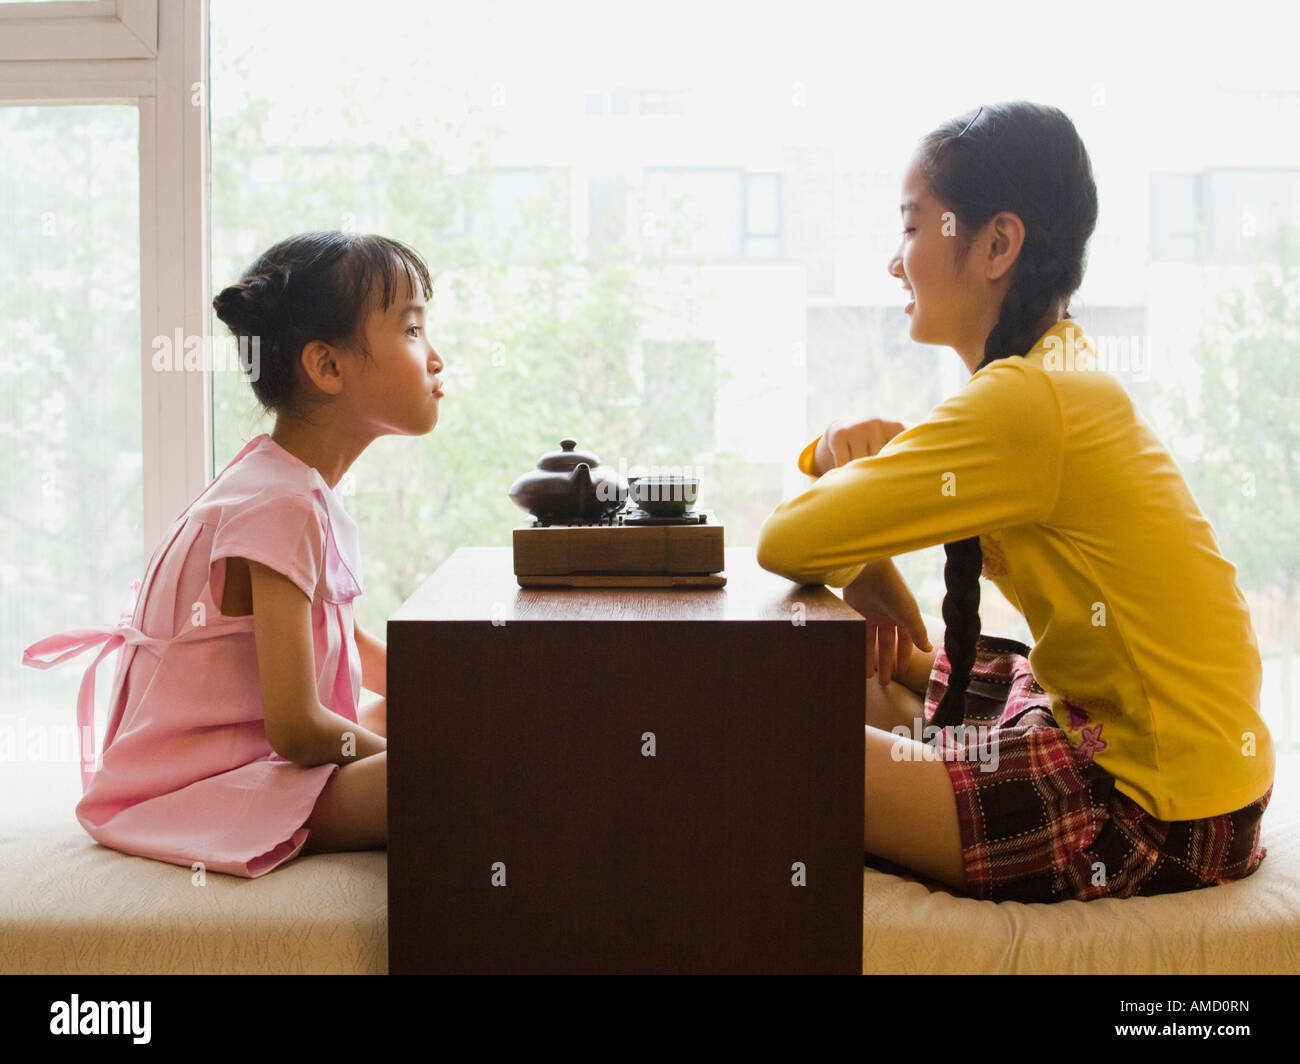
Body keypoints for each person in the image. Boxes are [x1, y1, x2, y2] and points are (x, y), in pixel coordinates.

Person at [755, 101, 1275, 903]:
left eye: (913, 228)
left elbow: (785, 540)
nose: (895, 262)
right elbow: (819, 531)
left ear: (998, 244)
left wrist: (851, 519)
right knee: (860, 677)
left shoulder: (1026, 403)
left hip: (1152, 805)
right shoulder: (1053, 378)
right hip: (1174, 757)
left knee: (767, 735)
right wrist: (845, 497)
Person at [22, 231, 444, 877]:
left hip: (241, 766)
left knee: (439, 721)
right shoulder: (281, 505)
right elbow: (297, 728)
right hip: (194, 792)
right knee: (455, 778)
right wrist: (423, 755)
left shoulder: (280, 482)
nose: (436, 357)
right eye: (412, 330)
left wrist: (467, 692)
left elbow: (350, 645)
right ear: (327, 367)